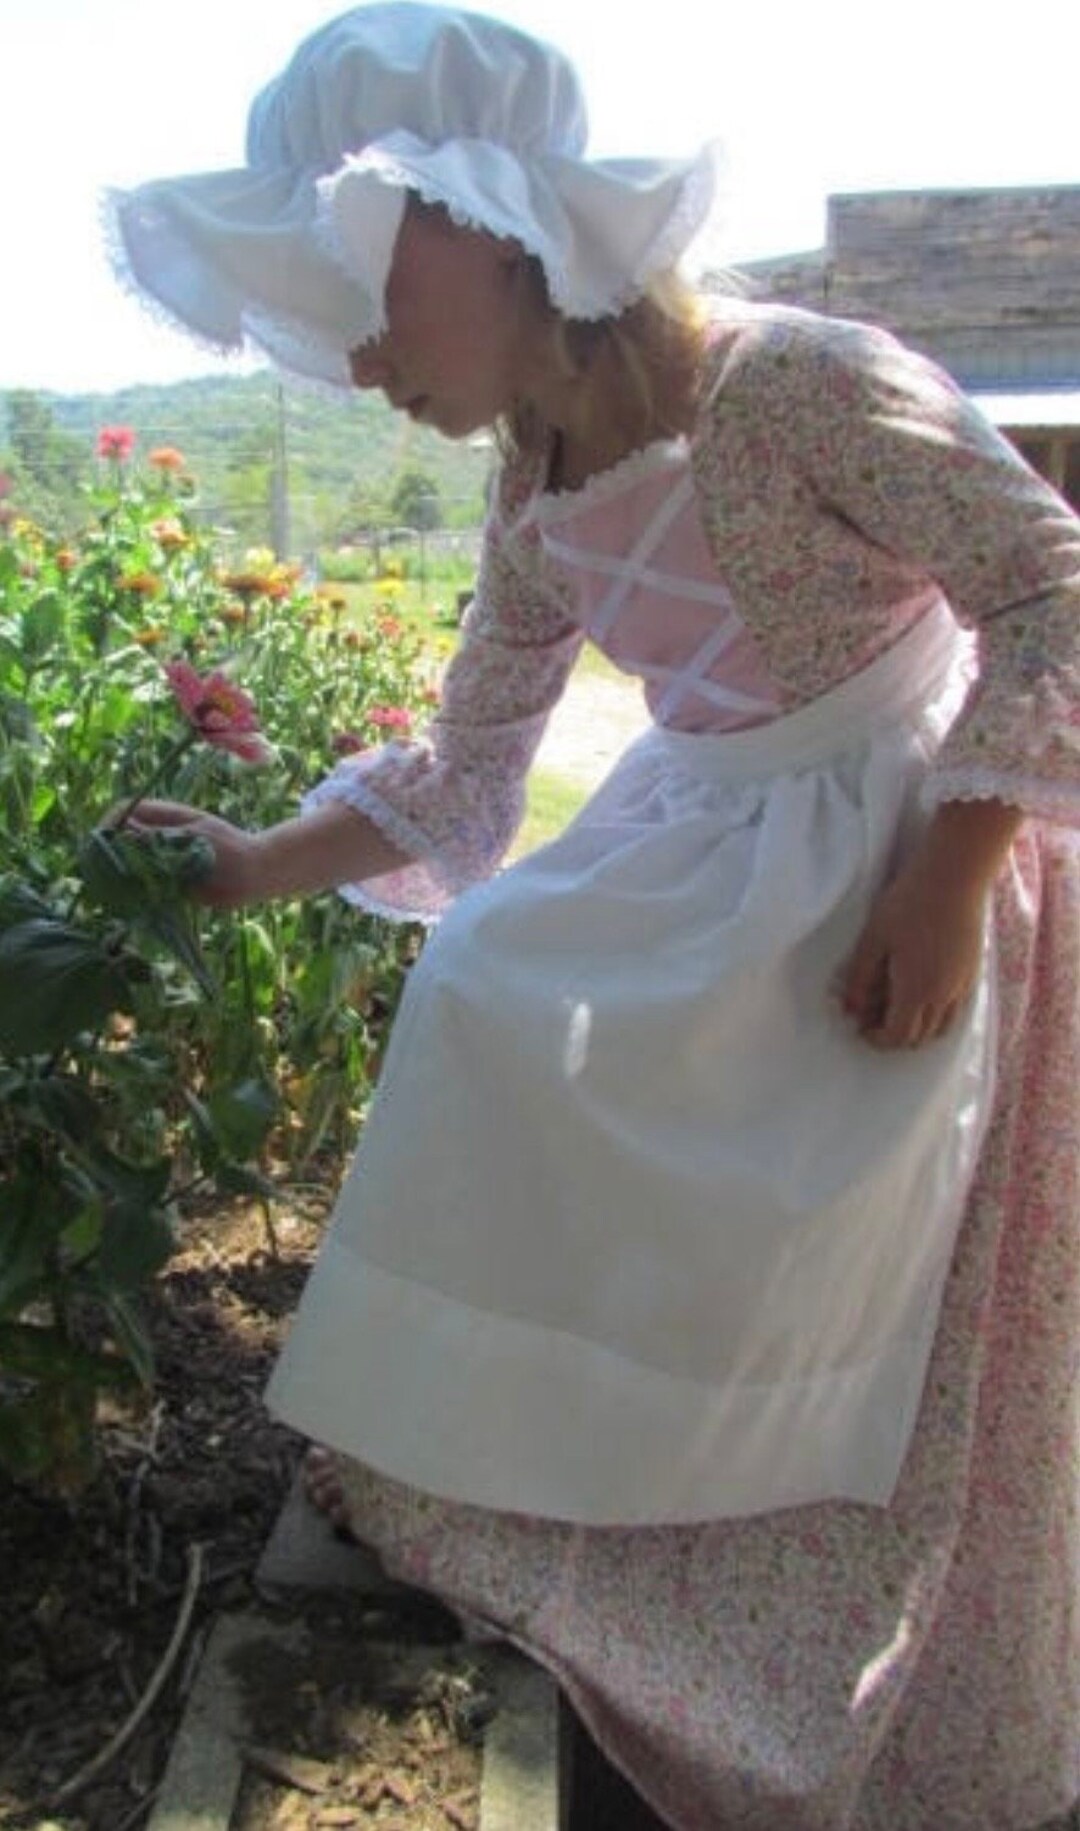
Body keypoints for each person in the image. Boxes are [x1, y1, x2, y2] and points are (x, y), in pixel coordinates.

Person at [110, 6, 1080, 1826]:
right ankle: (497, 1446)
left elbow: (1046, 584)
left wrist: (953, 872)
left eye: (371, 297)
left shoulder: (793, 384)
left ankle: (775, 1519)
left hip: (903, 832)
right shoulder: (532, 487)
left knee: (825, 1135)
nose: (356, 357)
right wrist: (248, 861)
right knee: (491, 983)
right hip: (710, 825)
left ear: (503, 233)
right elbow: (475, 765)